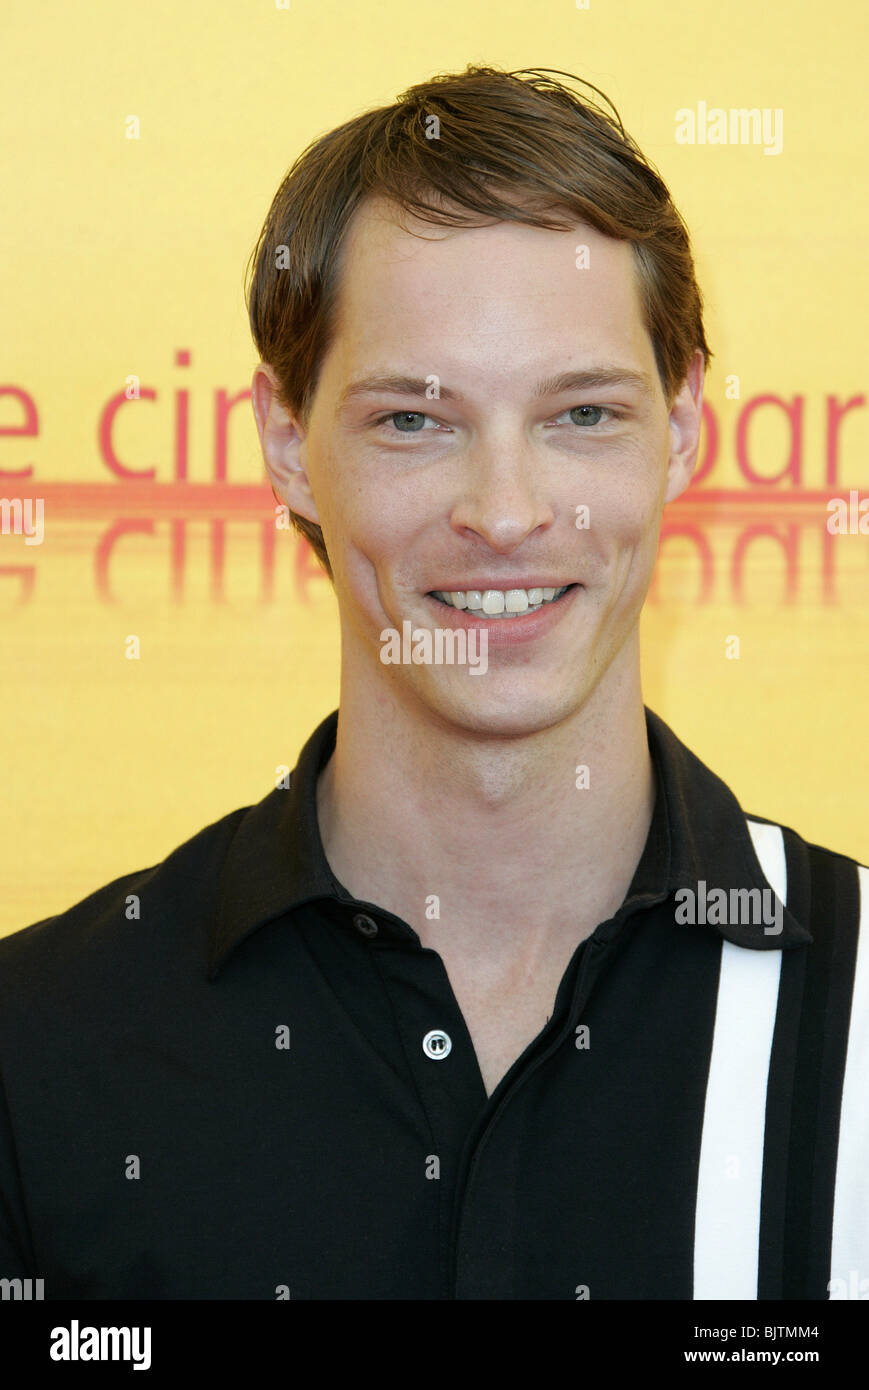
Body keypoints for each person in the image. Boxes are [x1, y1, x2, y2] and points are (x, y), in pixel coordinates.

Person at [0, 65, 865, 1302]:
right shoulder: (41, 1049)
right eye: (414, 419)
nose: (504, 513)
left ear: (679, 432)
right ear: (289, 445)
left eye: (580, 414)